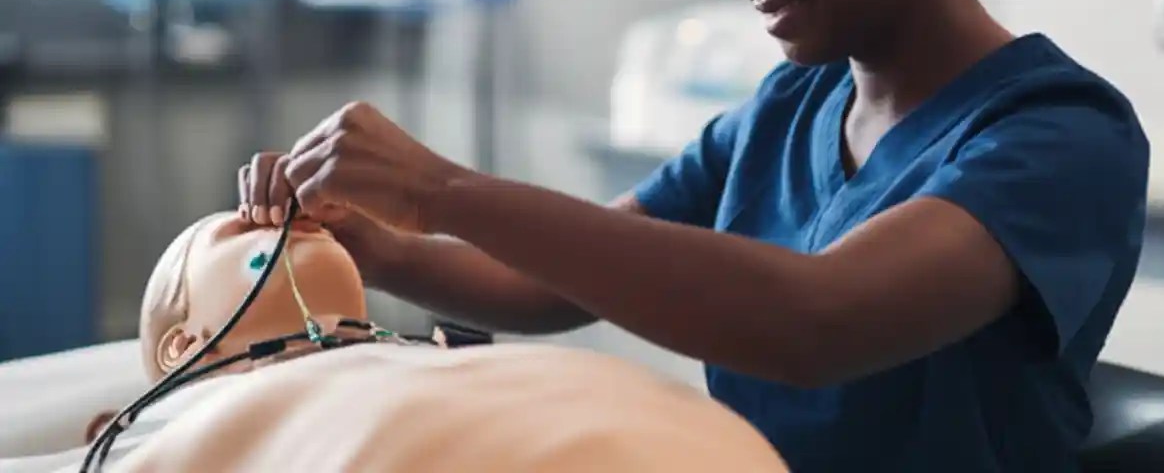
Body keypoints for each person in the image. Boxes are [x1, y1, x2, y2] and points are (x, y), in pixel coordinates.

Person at [239, 0, 1149, 470]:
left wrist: (438, 189)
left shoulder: (1059, 137)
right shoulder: (790, 109)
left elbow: (815, 323)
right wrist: (375, 247)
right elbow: (556, 280)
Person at [0, 212, 787, 472]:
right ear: (183, 350)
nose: (281, 217)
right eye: (239, 234)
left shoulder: (433, 354)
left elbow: (587, 263)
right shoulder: (192, 423)